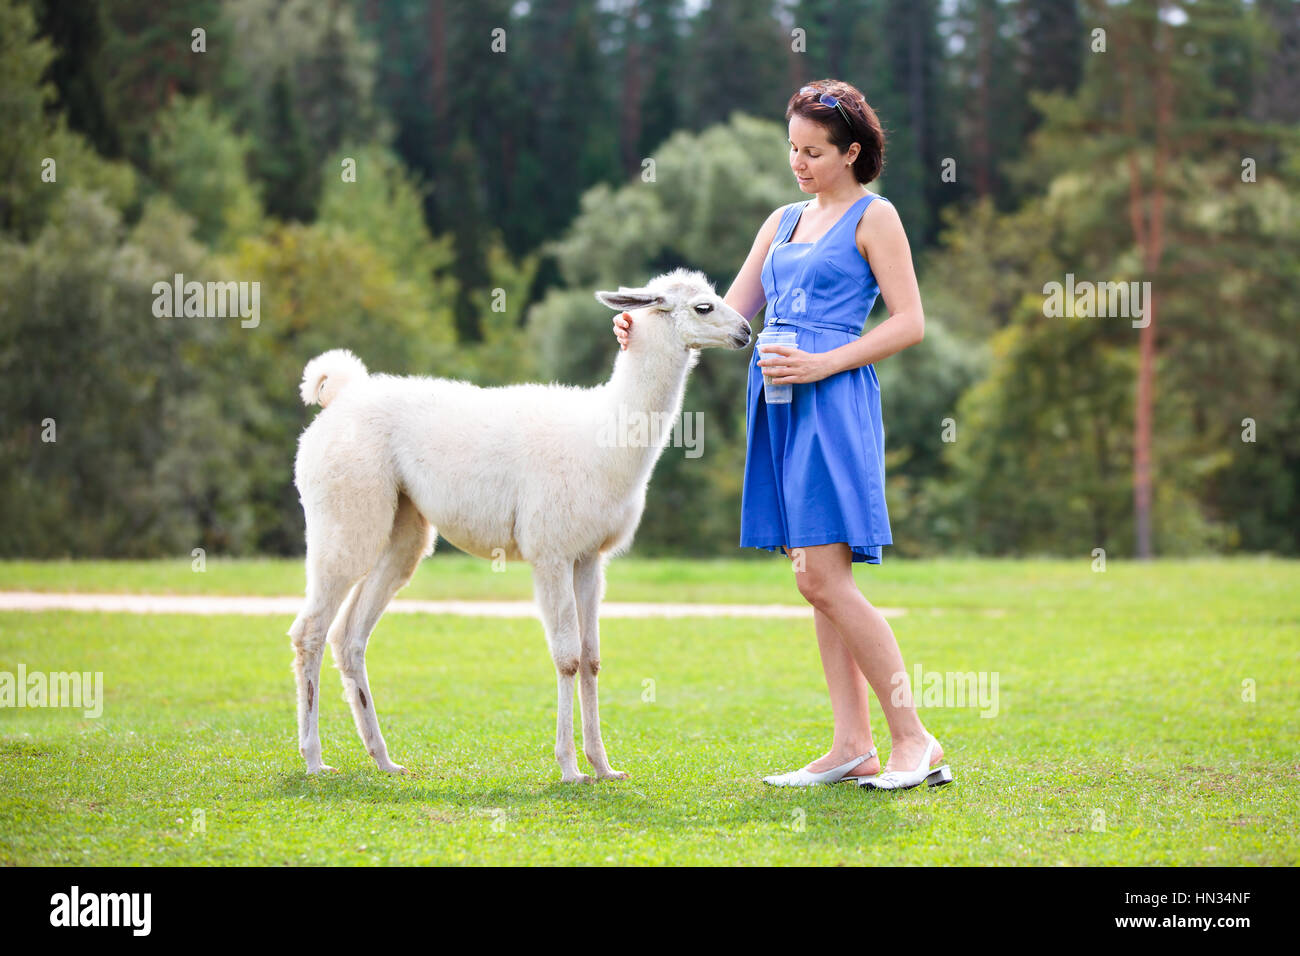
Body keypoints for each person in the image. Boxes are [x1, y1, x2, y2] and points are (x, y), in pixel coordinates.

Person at [612, 80, 951, 792]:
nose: (799, 162)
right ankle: (851, 745)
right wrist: (643, 327)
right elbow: (727, 316)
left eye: (815, 151)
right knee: (817, 583)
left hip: (834, 399)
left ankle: (914, 738)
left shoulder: (875, 216)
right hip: (778, 404)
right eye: (793, 147)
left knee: (823, 576)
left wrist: (824, 360)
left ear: (852, 151)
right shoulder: (782, 220)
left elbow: (909, 322)